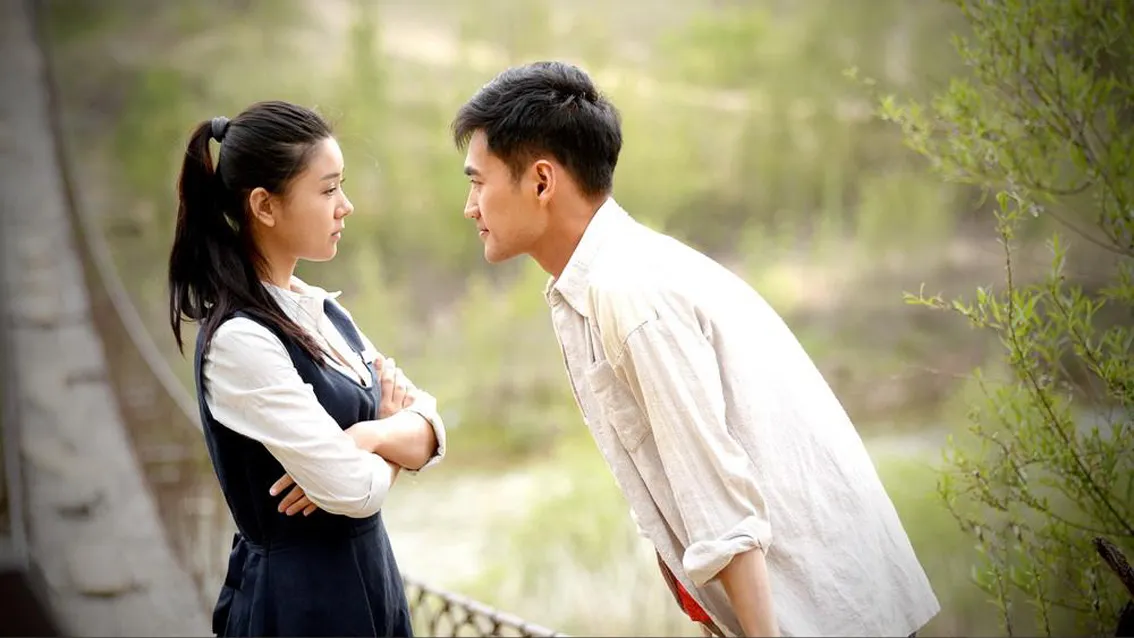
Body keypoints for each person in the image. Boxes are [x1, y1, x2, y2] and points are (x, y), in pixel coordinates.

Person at [449, 61, 940, 637]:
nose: (470, 207)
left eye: (478, 182)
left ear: (540, 182)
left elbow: (719, 508)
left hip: (826, 617)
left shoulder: (630, 291)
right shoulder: (602, 282)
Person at [168, 100, 446, 637]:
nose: (346, 206)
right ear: (264, 206)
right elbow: (355, 490)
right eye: (328, 190)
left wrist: (367, 436)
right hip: (298, 608)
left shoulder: (322, 311)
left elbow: (432, 427)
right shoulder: (240, 342)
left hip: (373, 589)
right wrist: (393, 442)